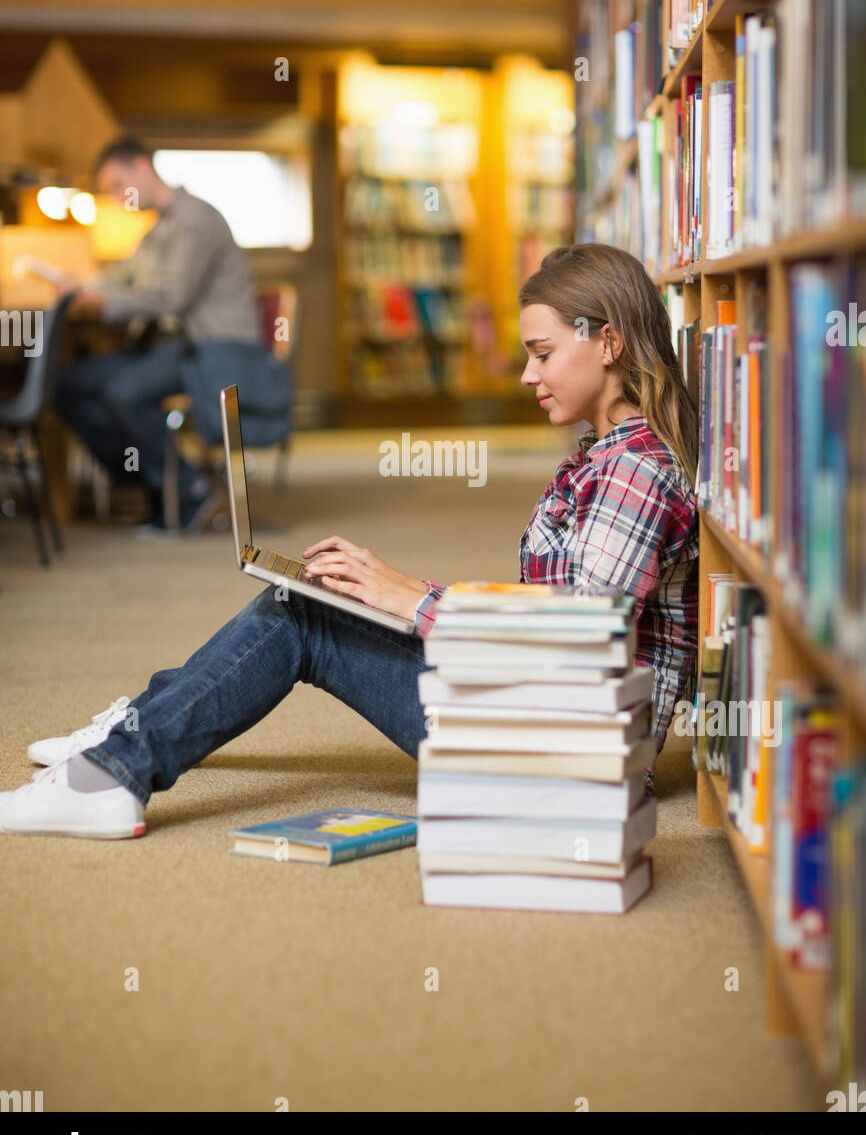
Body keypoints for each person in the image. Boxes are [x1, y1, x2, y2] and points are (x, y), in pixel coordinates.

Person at [0, 243, 699, 839]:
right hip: (536, 715)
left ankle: (118, 769)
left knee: (301, 614)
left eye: (542, 353)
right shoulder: (612, 454)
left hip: (556, 755)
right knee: (316, 593)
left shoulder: (635, 472)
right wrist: (404, 593)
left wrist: (413, 602)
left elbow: (578, 631)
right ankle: (139, 731)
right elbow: (558, 606)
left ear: (608, 341)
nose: (526, 374)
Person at [53, 136, 266, 532]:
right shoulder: (160, 227)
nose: (117, 198)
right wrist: (85, 288)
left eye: (118, 185)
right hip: (170, 345)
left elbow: (171, 296)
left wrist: (100, 303)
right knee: (70, 384)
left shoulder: (193, 220)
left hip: (211, 347)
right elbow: (124, 276)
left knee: (122, 391)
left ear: (141, 167)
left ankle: (188, 489)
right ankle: (145, 484)